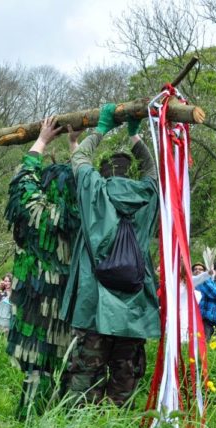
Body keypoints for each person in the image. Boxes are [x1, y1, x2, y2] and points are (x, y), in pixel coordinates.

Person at [59, 105, 160, 408]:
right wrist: (134, 137)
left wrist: (100, 130)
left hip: (95, 303)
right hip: (135, 307)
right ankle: (117, 424)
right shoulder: (147, 195)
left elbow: (79, 160)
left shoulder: (95, 193)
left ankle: (79, 426)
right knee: (125, 370)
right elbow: (153, 172)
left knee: (85, 370)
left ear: (103, 173)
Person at [4, 121, 81, 417]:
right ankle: (55, 415)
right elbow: (83, 182)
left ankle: (30, 413)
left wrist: (42, 141)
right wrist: (75, 145)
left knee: (35, 360)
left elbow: (22, 179)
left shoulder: (34, 208)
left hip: (34, 300)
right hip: (64, 302)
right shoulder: (77, 218)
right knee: (60, 357)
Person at [197, 262, 216, 339]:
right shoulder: (205, 280)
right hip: (207, 319)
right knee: (206, 342)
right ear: (215, 271)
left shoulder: (215, 281)